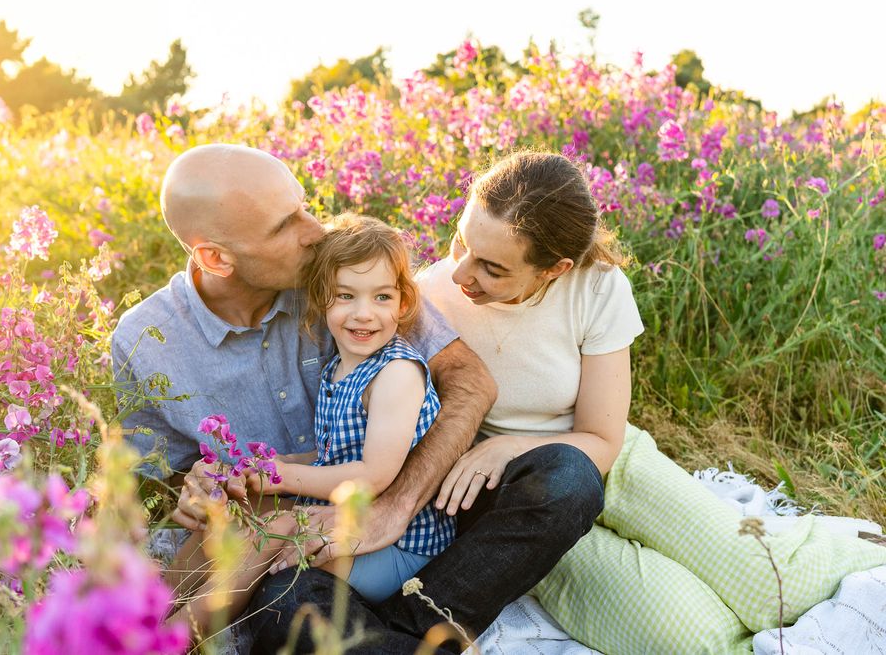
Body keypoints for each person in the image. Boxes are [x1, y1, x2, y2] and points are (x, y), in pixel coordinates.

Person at [241, 151, 886, 654]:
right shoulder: (428, 294)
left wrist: (506, 444)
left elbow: (602, 439)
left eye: (492, 268)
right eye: (462, 243)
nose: (461, 272)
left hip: (601, 457)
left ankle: (848, 545)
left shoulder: (597, 289)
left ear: (554, 269)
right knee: (687, 636)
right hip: (513, 500)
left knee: (768, 584)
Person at [166, 213, 457, 626]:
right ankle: (158, 600)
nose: (364, 313)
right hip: (349, 522)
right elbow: (333, 454)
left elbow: (373, 476)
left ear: (403, 302)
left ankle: (177, 636)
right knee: (239, 506)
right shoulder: (338, 367)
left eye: (382, 297)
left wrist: (283, 477)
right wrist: (267, 468)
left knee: (280, 526)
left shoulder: (396, 374)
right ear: (321, 301)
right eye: (345, 296)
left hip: (399, 551)